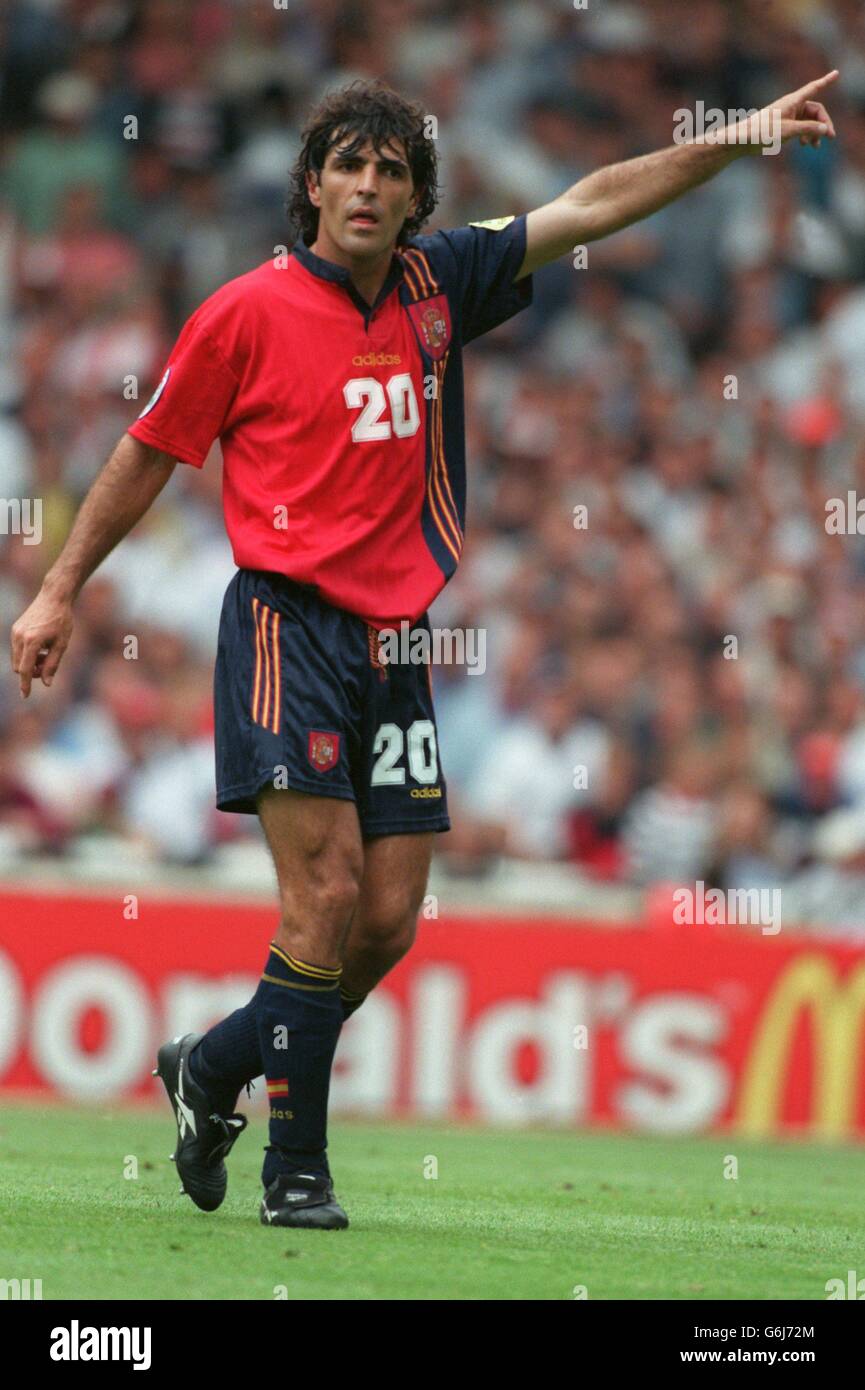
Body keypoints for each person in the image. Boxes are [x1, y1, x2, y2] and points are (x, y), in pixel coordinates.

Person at [10, 73, 838, 1229]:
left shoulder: (440, 282)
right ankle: (294, 1169)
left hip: (396, 645)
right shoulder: (242, 312)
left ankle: (210, 1065)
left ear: (412, 200)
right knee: (327, 890)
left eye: (390, 171)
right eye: (347, 164)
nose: (367, 185)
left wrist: (737, 139)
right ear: (311, 185)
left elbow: (594, 202)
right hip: (282, 626)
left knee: (387, 924)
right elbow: (149, 450)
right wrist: (56, 590)